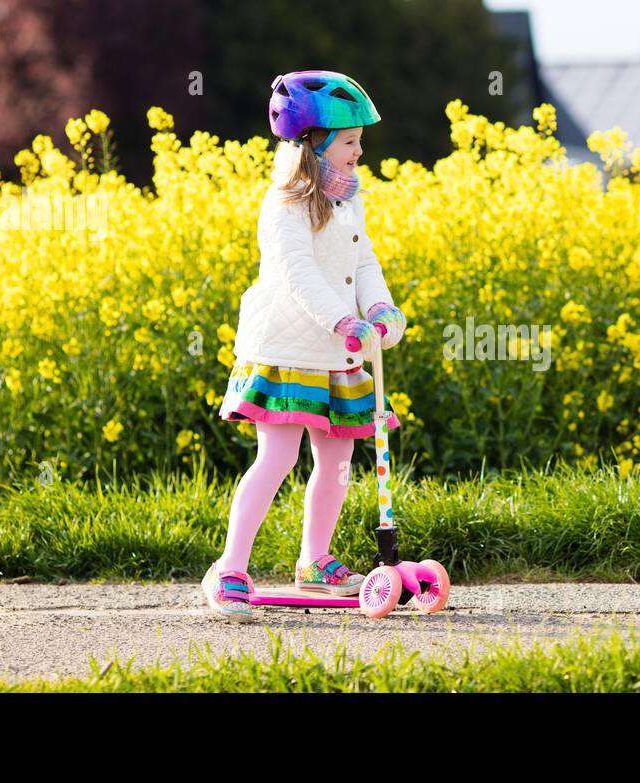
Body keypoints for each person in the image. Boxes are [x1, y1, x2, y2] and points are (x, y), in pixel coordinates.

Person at [201, 70, 407, 621]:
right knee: (278, 457)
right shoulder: (285, 203)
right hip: (289, 348)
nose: (360, 152)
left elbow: (363, 262)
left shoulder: (347, 201)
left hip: (335, 352)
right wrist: (344, 320)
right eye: (350, 142)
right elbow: (295, 271)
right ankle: (229, 567)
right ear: (314, 144)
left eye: (360, 141)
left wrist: (379, 307)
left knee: (337, 459)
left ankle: (315, 561)